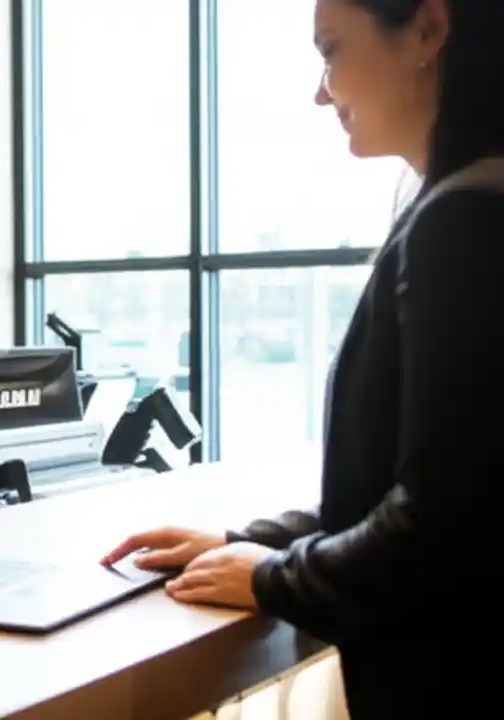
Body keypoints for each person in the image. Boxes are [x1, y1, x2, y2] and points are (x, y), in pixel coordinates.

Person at [102, 1, 504, 717]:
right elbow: (428, 480)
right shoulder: (465, 200)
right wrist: (246, 543)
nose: (323, 91)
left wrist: (272, 577)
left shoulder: (463, 221)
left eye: (331, 51)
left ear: (427, 31)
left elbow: (442, 527)